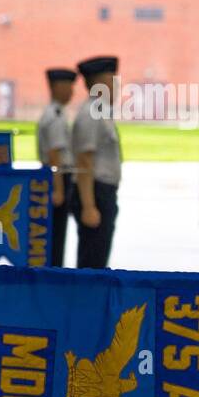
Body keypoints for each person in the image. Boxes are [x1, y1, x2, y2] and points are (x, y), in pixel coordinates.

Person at [71, 55, 122, 268]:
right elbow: (84, 160)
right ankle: (85, 301)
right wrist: (89, 206)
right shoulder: (91, 113)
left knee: (98, 259)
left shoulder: (101, 111)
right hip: (94, 193)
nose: (116, 88)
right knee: (92, 261)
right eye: (112, 82)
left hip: (102, 192)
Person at [37, 67, 76, 266]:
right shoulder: (54, 116)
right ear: (57, 87)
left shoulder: (56, 113)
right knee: (56, 234)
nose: (72, 92)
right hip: (57, 178)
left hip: (56, 177)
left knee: (57, 232)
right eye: (69, 87)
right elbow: (54, 154)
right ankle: (53, 271)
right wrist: (59, 188)